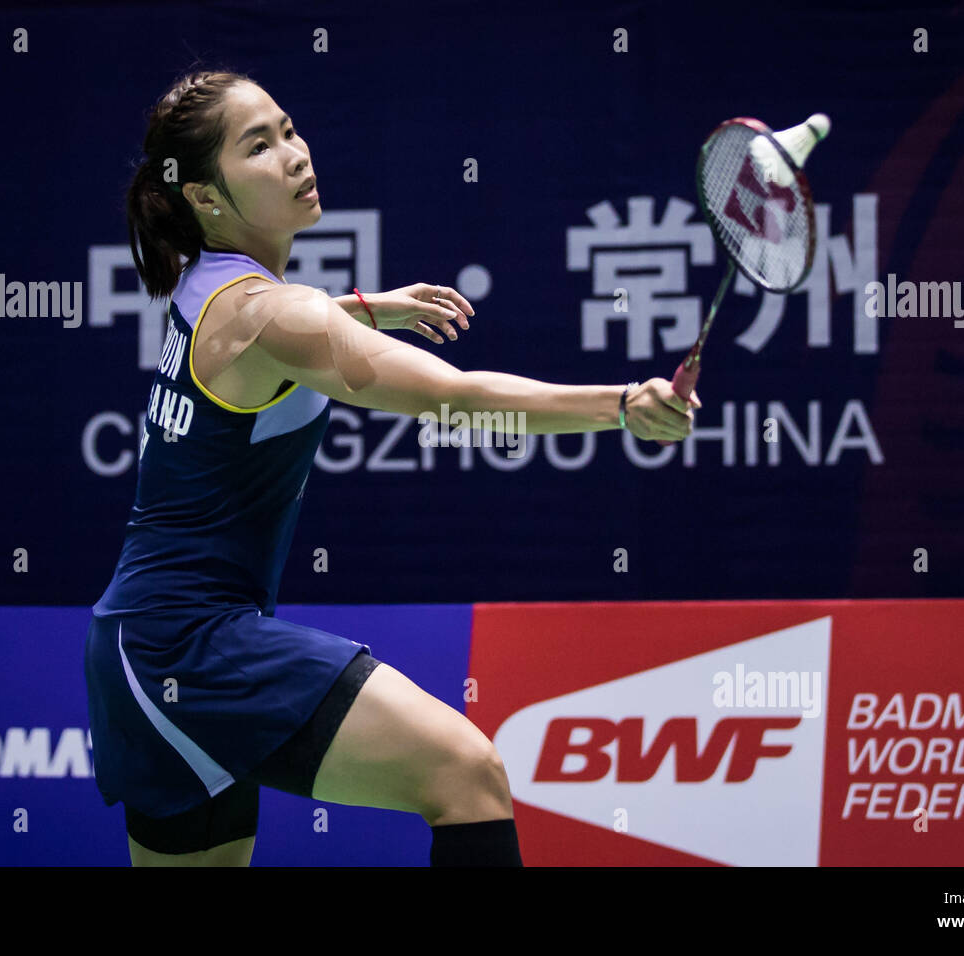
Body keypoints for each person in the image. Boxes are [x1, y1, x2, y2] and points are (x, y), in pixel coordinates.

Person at [84, 68, 699, 867]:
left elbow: (260, 335)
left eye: (289, 130)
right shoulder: (275, 313)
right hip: (194, 646)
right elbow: (458, 397)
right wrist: (619, 405)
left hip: (137, 648)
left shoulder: (211, 286)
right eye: (258, 147)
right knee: (466, 773)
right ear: (205, 197)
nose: (295, 154)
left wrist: (360, 310)